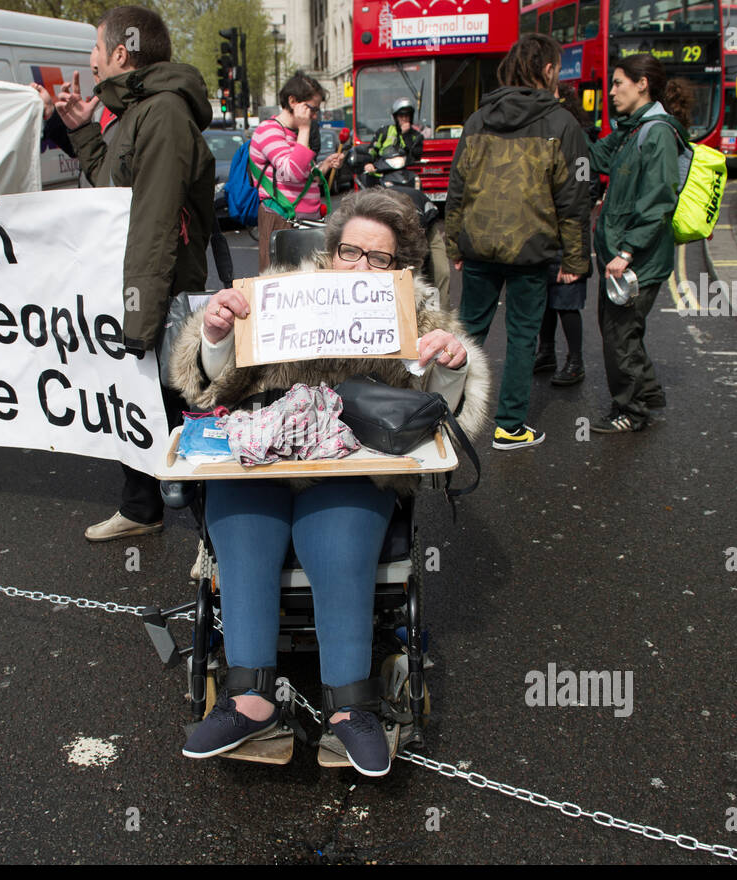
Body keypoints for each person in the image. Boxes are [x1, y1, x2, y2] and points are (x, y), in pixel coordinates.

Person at [171, 190, 492, 776]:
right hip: (267, 445)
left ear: (399, 265)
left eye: (378, 257)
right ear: (331, 249)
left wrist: (451, 366)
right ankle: (249, 700)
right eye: (350, 251)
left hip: (351, 459)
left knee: (338, 527)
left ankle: (350, 706)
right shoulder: (276, 295)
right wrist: (215, 336)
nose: (360, 266)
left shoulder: (414, 314)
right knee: (240, 512)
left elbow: (438, 412)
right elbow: (210, 383)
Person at [52, 6, 216, 542]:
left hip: (160, 293)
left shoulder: (163, 112)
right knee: (136, 403)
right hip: (141, 287)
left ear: (121, 52)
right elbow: (112, 187)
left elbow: (154, 222)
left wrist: (139, 317)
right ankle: (141, 507)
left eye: (96, 49)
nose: (91, 61)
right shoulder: (137, 112)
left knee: (179, 413)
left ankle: (216, 540)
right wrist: (81, 130)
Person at [445, 33, 591, 451]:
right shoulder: (563, 124)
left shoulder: (477, 120)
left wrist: (454, 243)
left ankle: (450, 413)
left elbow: (458, 187)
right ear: (548, 70)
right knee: (522, 337)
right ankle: (509, 426)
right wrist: (575, 260)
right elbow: (575, 198)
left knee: (468, 332)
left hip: (478, 246)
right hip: (531, 250)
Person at [584, 54, 691, 434]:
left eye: (618, 83)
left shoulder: (656, 132)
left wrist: (627, 251)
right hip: (624, 254)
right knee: (620, 331)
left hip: (637, 258)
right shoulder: (633, 129)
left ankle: (631, 410)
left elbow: (659, 199)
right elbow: (595, 157)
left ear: (642, 84)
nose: (612, 91)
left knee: (621, 336)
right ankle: (648, 395)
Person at [534, 83, 598, 386]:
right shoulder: (548, 136)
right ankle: (546, 352)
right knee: (546, 300)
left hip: (568, 232)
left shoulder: (576, 139)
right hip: (545, 231)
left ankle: (576, 361)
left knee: (566, 301)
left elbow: (587, 185)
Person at [249, 73, 344, 272]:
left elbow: (303, 178)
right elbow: (291, 173)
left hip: (305, 222)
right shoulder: (269, 130)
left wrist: (325, 166)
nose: (315, 115)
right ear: (293, 101)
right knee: (280, 282)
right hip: (282, 220)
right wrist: (304, 129)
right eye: (312, 108)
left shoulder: (294, 135)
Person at [362, 97, 424, 188]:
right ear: (396, 117)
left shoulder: (416, 136)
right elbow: (372, 150)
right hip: (380, 174)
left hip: (405, 175)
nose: (404, 119)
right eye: (401, 116)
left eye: (407, 116)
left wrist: (406, 135)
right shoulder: (384, 132)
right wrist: (368, 164)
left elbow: (416, 154)